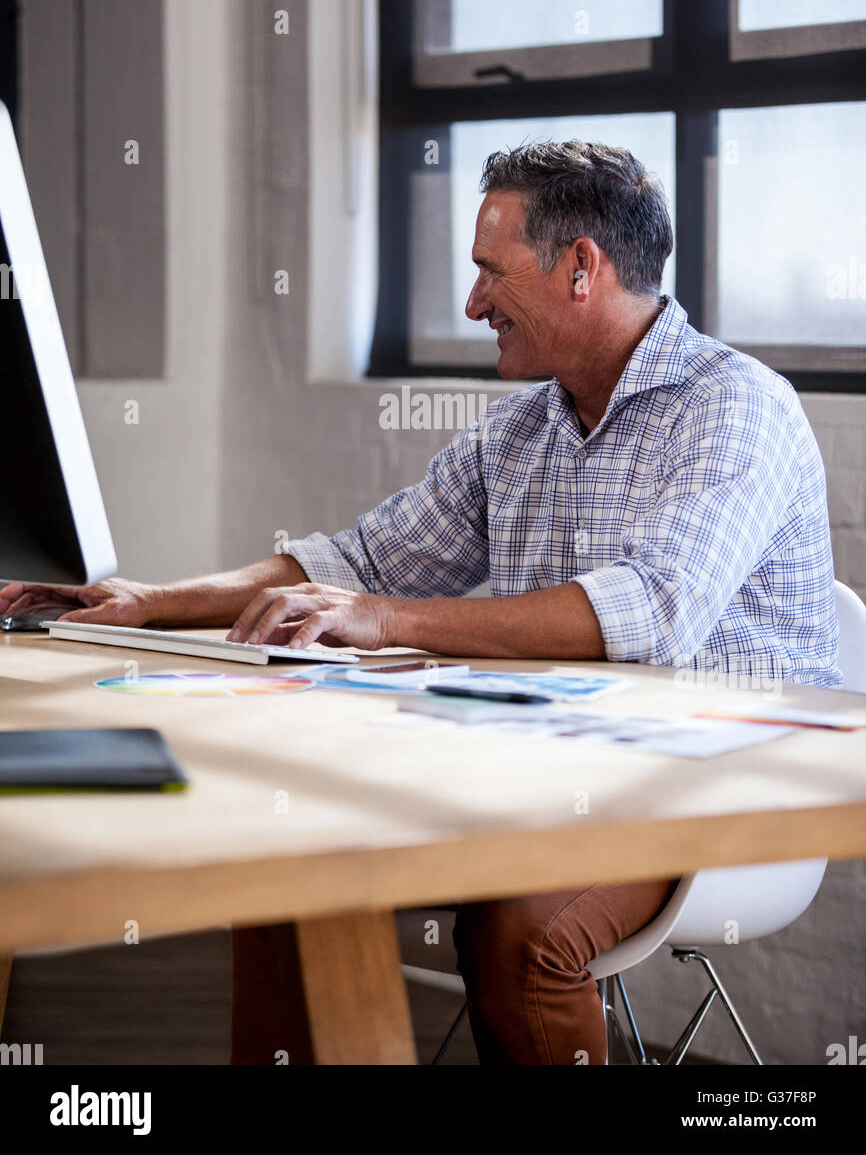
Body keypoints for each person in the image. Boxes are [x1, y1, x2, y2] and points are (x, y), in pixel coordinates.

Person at [0, 140, 840, 1065]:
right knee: (285, 865)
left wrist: (387, 618)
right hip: (549, 772)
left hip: (718, 794)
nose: (473, 303)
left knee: (523, 932)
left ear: (581, 269)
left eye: (489, 272)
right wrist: (150, 601)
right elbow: (357, 560)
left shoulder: (737, 406)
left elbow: (650, 612)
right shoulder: (521, 426)